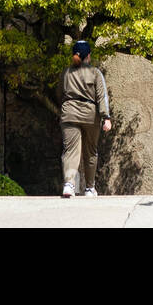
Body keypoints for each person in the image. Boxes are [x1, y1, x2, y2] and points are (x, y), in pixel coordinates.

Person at [58, 39, 111, 198]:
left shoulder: (66, 72)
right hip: (90, 116)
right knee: (91, 152)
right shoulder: (95, 73)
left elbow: (59, 93)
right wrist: (106, 117)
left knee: (70, 151)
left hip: (69, 113)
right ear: (89, 55)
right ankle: (89, 188)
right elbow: (102, 97)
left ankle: (69, 184)